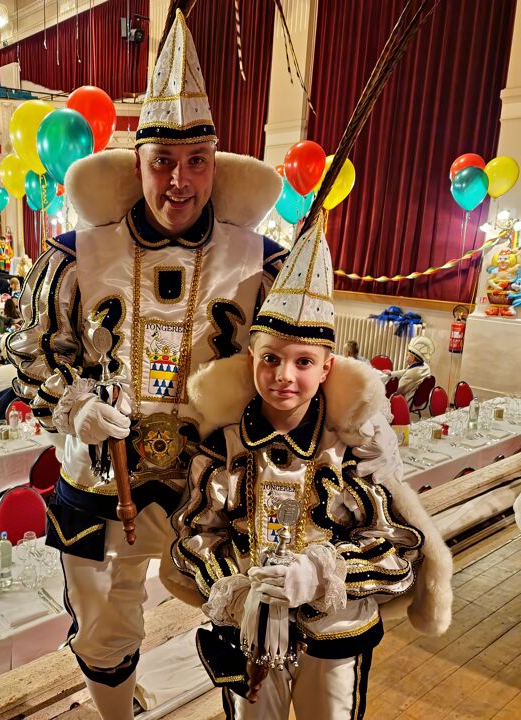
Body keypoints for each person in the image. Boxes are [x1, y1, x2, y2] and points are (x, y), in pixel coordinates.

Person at [2, 13, 294, 715]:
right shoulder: (73, 258)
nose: (179, 181)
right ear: (137, 165)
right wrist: (76, 403)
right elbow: (33, 353)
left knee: (250, 624)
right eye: (162, 161)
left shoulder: (264, 265)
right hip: (104, 485)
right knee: (103, 631)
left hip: (217, 486)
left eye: (196, 161)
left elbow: (295, 377)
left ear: (215, 165)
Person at [170, 221, 451, 719]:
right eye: (271, 359)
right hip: (250, 635)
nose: (284, 376)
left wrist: (322, 573)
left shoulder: (351, 445)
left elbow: (394, 547)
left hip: (336, 630)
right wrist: (233, 588)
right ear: (252, 359)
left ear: (326, 368)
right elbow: (198, 532)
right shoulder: (226, 443)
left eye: (303, 362)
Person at [384, 336, 435, 401]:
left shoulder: (412, 374)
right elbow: (406, 371)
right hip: (422, 400)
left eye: (408, 355)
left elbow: (397, 390)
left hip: (406, 401)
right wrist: (391, 373)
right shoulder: (425, 366)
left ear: (413, 358)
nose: (406, 356)